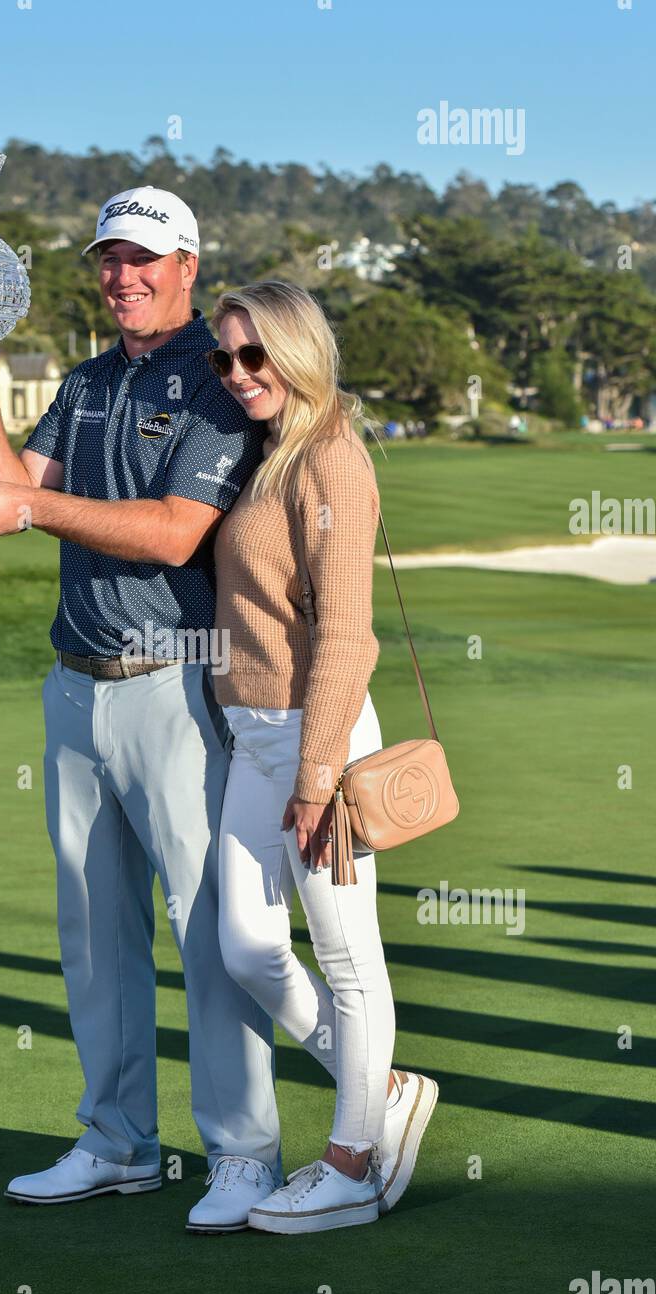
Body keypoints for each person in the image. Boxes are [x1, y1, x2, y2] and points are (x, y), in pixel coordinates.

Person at [0, 187, 286, 1232]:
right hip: (74, 685)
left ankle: (244, 1153)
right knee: (94, 930)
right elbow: (15, 486)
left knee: (207, 926)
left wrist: (31, 503)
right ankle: (118, 1142)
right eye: (109, 259)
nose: (123, 276)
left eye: (143, 258)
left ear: (186, 264)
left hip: (175, 682)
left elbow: (179, 532)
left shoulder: (217, 382)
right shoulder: (85, 381)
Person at [207, 281, 438, 1233]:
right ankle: (378, 1085)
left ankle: (354, 1161)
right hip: (254, 738)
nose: (237, 374)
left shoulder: (333, 460)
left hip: (318, 741)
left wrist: (316, 777)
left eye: (255, 356)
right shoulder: (272, 452)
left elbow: (348, 638)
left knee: (349, 960)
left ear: (300, 353)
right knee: (247, 948)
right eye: (224, 358)